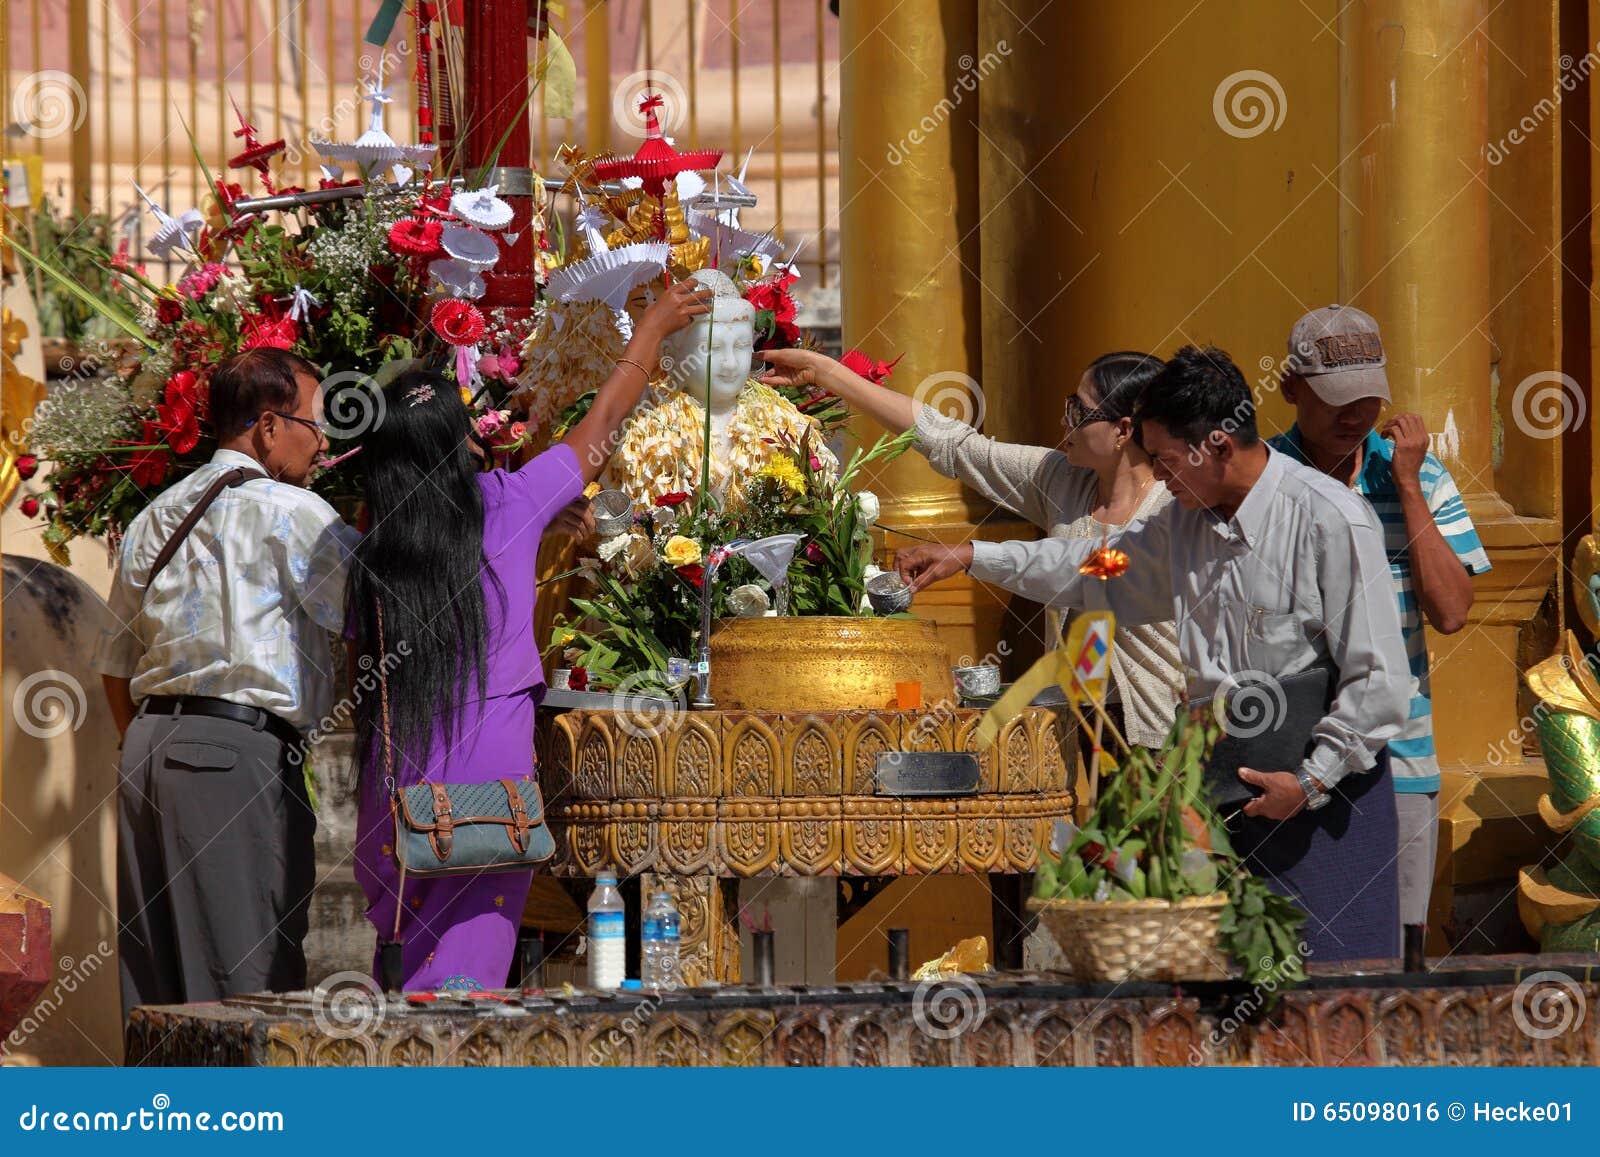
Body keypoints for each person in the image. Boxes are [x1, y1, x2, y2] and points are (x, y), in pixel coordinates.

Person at [895, 345, 1413, 962]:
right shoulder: (1179, 528)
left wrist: (1310, 779)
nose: (1159, 480)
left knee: (1335, 1006)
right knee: (1222, 1006)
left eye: (1167, 462)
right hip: (1221, 796)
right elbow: (1094, 567)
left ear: (1218, 446)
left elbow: (1378, 679)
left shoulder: (1331, 520)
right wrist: (973, 557)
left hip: (1326, 802)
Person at [346, 278, 713, 991]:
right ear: (462, 444)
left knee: (407, 975)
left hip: (395, 795)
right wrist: (652, 330)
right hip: (490, 793)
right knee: (470, 980)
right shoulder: (508, 501)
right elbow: (603, 422)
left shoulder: (372, 549)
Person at [94, 347, 360, 1016]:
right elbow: (374, 608)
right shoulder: (293, 512)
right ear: (269, 427)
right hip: (233, 755)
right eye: (314, 422)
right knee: (244, 981)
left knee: (155, 983)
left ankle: (165, 1118)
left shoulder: (155, 514)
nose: (322, 443)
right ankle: (251, 1121)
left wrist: (161, 745)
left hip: (146, 749)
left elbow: (113, 663)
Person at [758, 347, 1183, 751]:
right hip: (1072, 725)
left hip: (1157, 735)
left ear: (1123, 430)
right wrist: (828, 374)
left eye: (1078, 411)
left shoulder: (1174, 504)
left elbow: (1093, 568)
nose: (1064, 421)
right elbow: (955, 445)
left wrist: (973, 555)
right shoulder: (1062, 480)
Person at [1268, 305, 1487, 945]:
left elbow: (1450, 611)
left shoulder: (1415, 475)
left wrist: (1409, 487)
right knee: (1291, 949)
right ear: (1290, 389)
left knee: (1396, 953)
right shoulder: (1268, 480)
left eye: (1368, 397)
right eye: (1336, 398)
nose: (1354, 415)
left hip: (1402, 756)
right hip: (1288, 752)